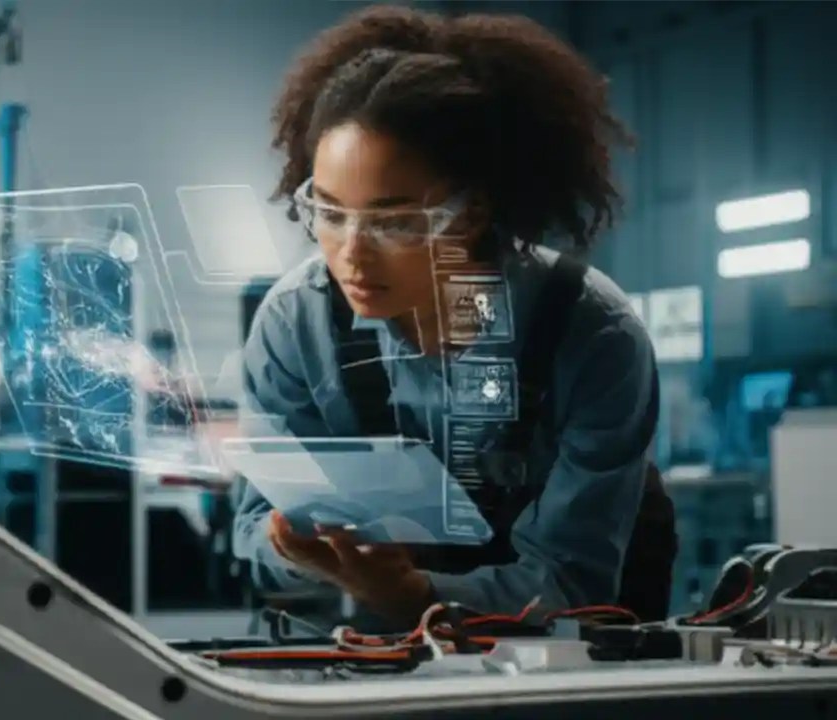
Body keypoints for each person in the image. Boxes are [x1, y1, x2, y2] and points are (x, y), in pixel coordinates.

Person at [231, 5, 676, 631]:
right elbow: (254, 528)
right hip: (367, 636)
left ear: (470, 212)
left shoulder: (593, 335)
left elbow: (573, 577)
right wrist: (298, 551)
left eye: (391, 222)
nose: (350, 253)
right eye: (328, 212)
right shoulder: (293, 326)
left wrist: (410, 593)